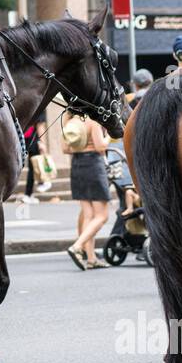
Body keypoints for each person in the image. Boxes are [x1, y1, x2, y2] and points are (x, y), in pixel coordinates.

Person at [63, 113, 111, 270]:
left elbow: (65, 149)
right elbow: (101, 147)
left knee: (88, 214)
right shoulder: (92, 121)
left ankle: (91, 258)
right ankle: (77, 246)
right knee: (102, 216)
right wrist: (109, 136)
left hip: (77, 165)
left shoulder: (70, 122)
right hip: (93, 166)